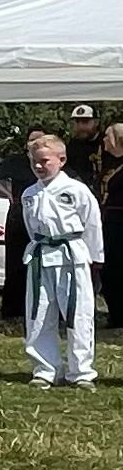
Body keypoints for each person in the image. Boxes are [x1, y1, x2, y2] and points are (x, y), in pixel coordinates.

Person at [21, 134, 103, 390]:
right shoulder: (29, 194)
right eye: (34, 161)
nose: (38, 166)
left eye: (44, 161)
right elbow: (29, 226)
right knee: (39, 313)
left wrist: (95, 259)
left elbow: (92, 225)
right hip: (42, 256)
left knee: (78, 315)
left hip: (72, 255)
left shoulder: (76, 190)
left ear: (62, 159)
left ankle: (81, 372)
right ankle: (45, 369)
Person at [0, 125, 48, 320]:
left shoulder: (48, 163)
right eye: (32, 139)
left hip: (42, 217)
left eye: (41, 139)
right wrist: (9, 194)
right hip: (18, 214)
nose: (36, 143)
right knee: (15, 263)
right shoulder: (15, 161)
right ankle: (12, 310)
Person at [101, 124, 123, 329]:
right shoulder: (114, 163)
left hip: (120, 223)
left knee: (115, 269)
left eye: (108, 137)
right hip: (112, 221)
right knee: (110, 270)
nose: (104, 141)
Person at [65, 104, 102, 190]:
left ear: (96, 122)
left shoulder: (105, 142)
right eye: (77, 122)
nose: (80, 127)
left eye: (85, 121)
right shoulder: (73, 144)